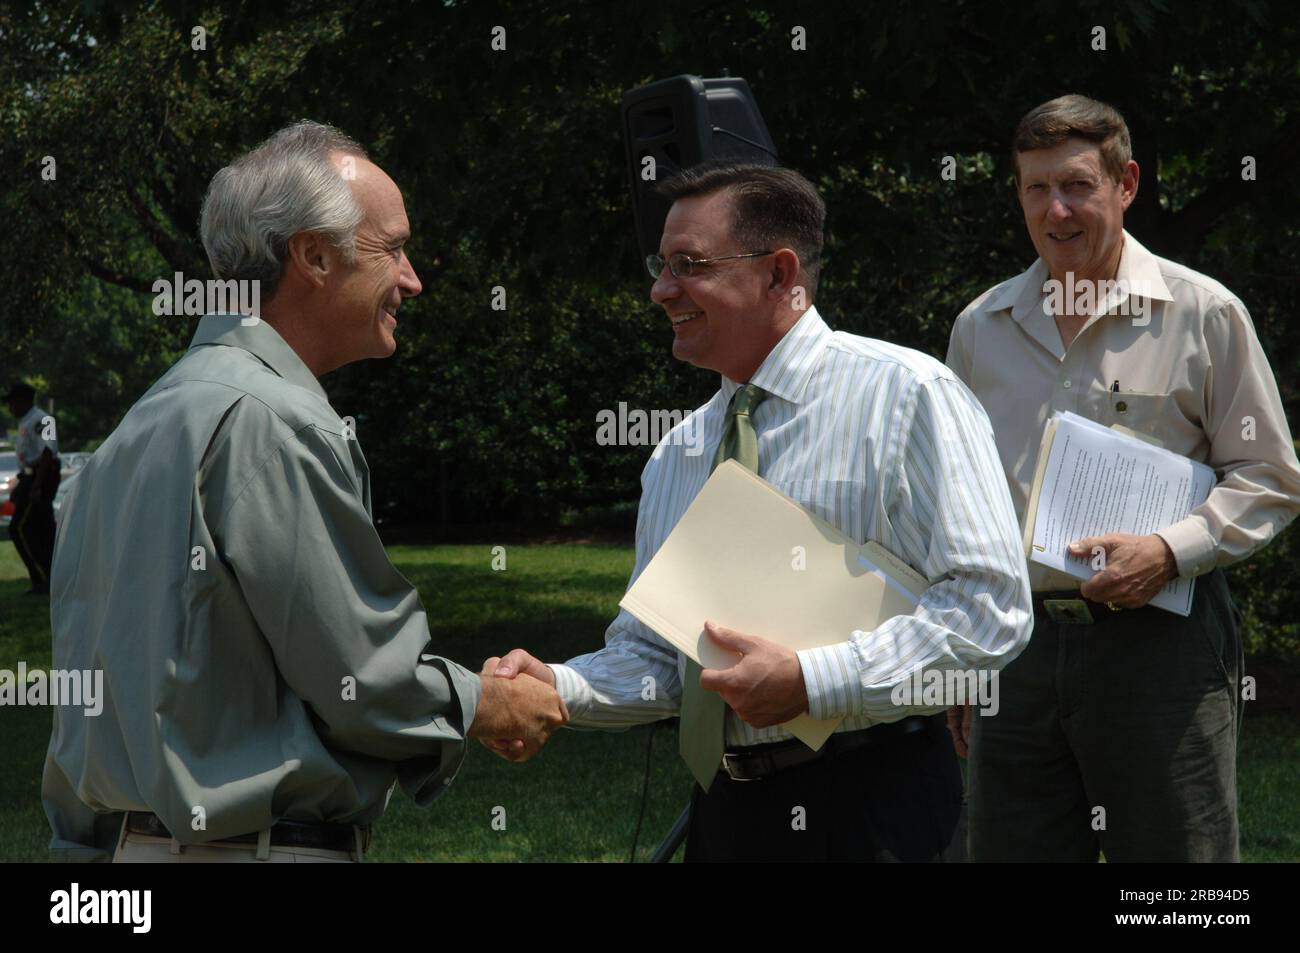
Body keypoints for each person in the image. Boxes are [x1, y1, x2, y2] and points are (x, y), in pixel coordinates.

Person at [41, 121, 567, 863]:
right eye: (393, 248)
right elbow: (364, 679)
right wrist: (487, 701)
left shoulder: (136, 428)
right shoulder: (272, 420)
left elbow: (85, 715)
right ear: (313, 256)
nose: (413, 278)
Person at [491, 162, 1033, 861]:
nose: (660, 290)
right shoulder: (679, 452)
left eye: (689, 265)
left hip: (878, 810)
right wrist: (559, 686)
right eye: (661, 264)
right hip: (725, 817)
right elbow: (663, 655)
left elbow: (991, 610)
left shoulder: (908, 394)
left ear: (780, 275)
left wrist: (813, 681)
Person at [945, 94, 1300, 862]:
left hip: (1162, 648)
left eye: (1077, 185)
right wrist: (966, 658)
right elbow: (959, 505)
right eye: (1036, 188)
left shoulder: (1204, 314)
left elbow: (1269, 474)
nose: (1056, 209)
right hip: (1019, 648)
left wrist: (1169, 550)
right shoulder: (980, 328)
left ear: (1127, 183)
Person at [4, 381, 60, 595]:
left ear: (24, 401)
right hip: (31, 476)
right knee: (41, 529)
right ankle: (50, 577)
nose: (10, 408)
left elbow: (47, 453)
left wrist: (36, 486)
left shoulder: (43, 420)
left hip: (42, 476)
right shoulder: (26, 422)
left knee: (19, 528)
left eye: (12, 403)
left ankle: (42, 578)